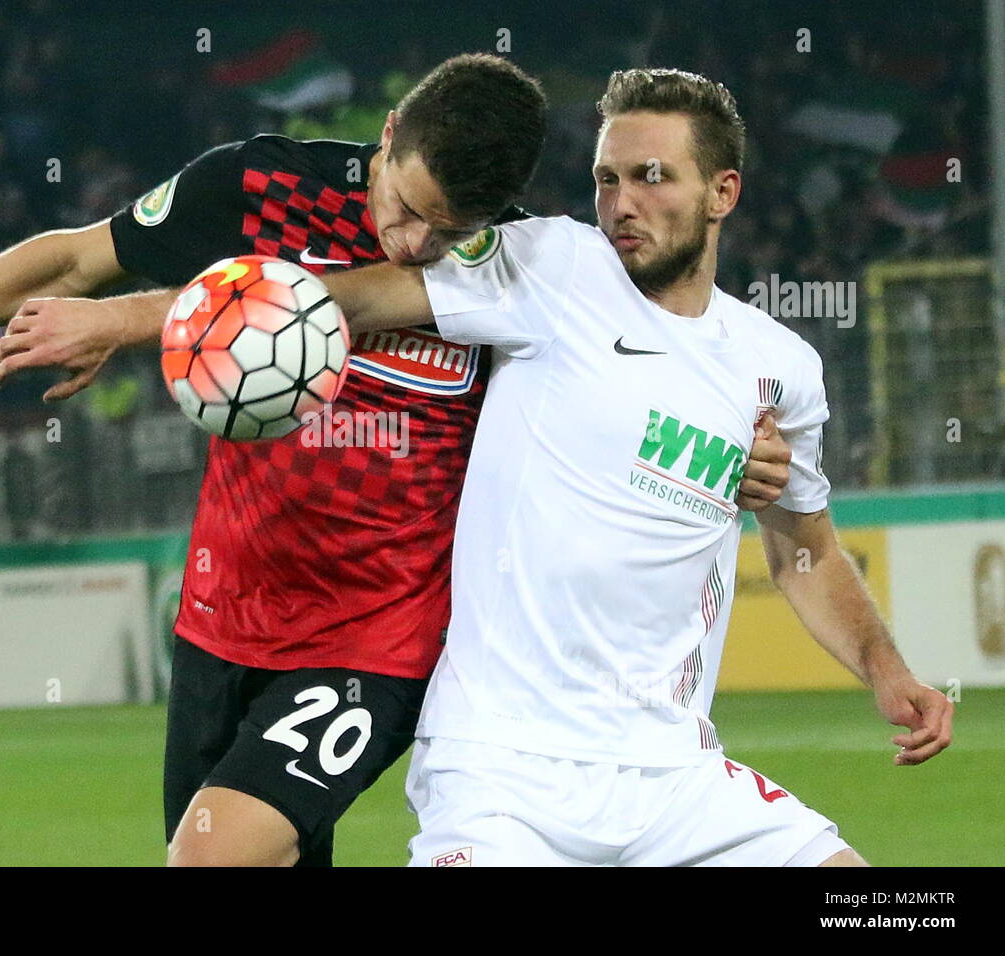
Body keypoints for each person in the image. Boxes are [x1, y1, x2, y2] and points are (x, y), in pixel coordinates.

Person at [0, 57, 791, 867]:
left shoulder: (518, 266)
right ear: (383, 137)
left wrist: (745, 443)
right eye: (405, 207)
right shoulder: (260, 186)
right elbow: (72, 256)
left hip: (379, 638)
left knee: (214, 850)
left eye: (446, 226)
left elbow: (657, 359)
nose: (414, 243)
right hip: (223, 616)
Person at [311, 68, 954, 866]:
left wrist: (889, 675)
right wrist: (140, 316)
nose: (622, 203)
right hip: (504, 771)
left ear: (723, 192)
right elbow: (365, 299)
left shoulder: (778, 367)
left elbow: (804, 551)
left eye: (653, 177)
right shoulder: (550, 265)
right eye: (607, 179)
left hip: (676, 776)